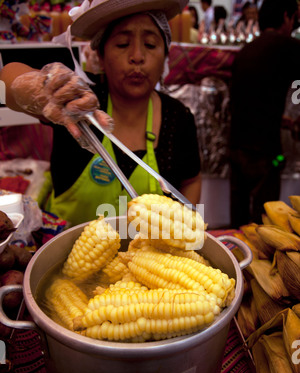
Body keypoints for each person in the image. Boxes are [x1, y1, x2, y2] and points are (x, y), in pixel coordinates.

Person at [0, 0, 201, 227]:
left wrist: (184, 226)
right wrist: (41, 90)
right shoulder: (77, 102)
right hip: (65, 251)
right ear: (100, 56)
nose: (137, 56)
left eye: (151, 45)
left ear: (166, 55)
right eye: (123, 44)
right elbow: (6, 78)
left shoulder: (179, 117)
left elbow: (191, 180)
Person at [228, 0, 300, 228]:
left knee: (238, 222)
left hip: (237, 147)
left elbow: (248, 100)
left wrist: (282, 120)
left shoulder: (246, 51)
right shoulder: (288, 46)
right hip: (264, 151)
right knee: (264, 225)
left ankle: (233, 260)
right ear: (287, 17)